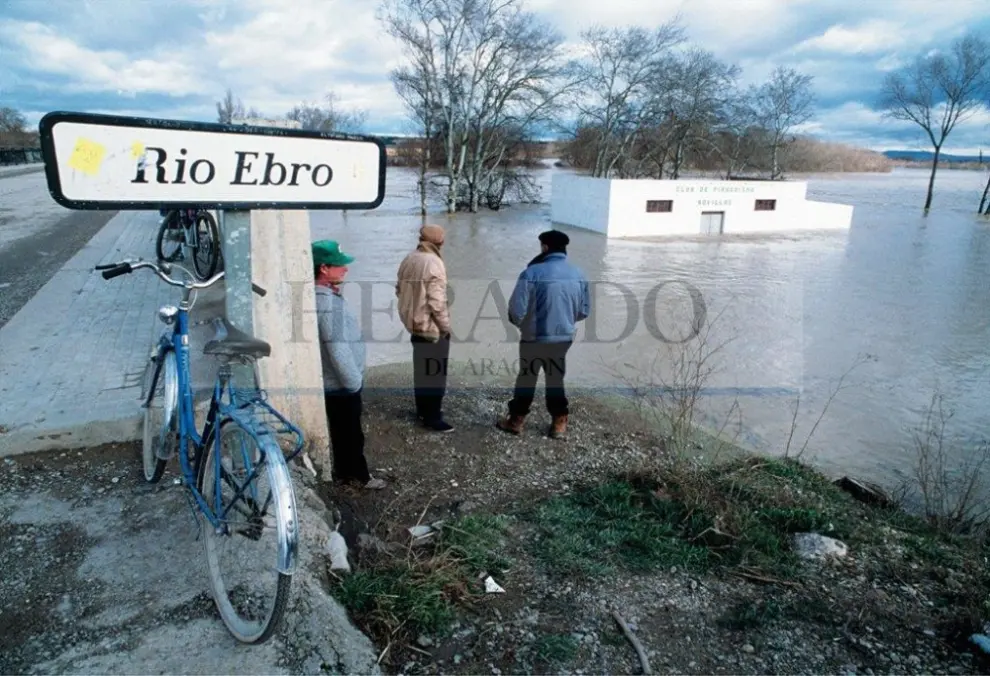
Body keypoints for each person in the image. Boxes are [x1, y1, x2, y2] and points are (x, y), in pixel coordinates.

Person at [497, 229, 590, 439]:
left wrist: (522, 324)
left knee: (527, 378)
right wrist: (564, 321)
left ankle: (516, 421)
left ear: (545, 247)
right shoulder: (578, 273)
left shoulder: (531, 273)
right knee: (555, 378)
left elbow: (515, 311)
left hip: (534, 337)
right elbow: (584, 310)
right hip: (563, 337)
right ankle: (559, 424)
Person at [313, 240, 386, 489]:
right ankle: (359, 477)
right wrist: (354, 383)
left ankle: (345, 473)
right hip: (341, 384)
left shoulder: (324, 296)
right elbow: (337, 349)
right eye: (340, 265)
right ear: (324, 268)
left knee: (344, 433)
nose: (345, 269)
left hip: (337, 382)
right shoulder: (325, 304)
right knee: (351, 435)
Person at [395, 224, 454, 432]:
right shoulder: (435, 263)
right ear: (440, 242)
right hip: (431, 329)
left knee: (421, 371)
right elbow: (437, 302)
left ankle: (422, 411)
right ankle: (432, 417)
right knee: (436, 375)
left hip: (413, 325)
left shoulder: (410, 258)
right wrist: (446, 327)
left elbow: (398, 289)